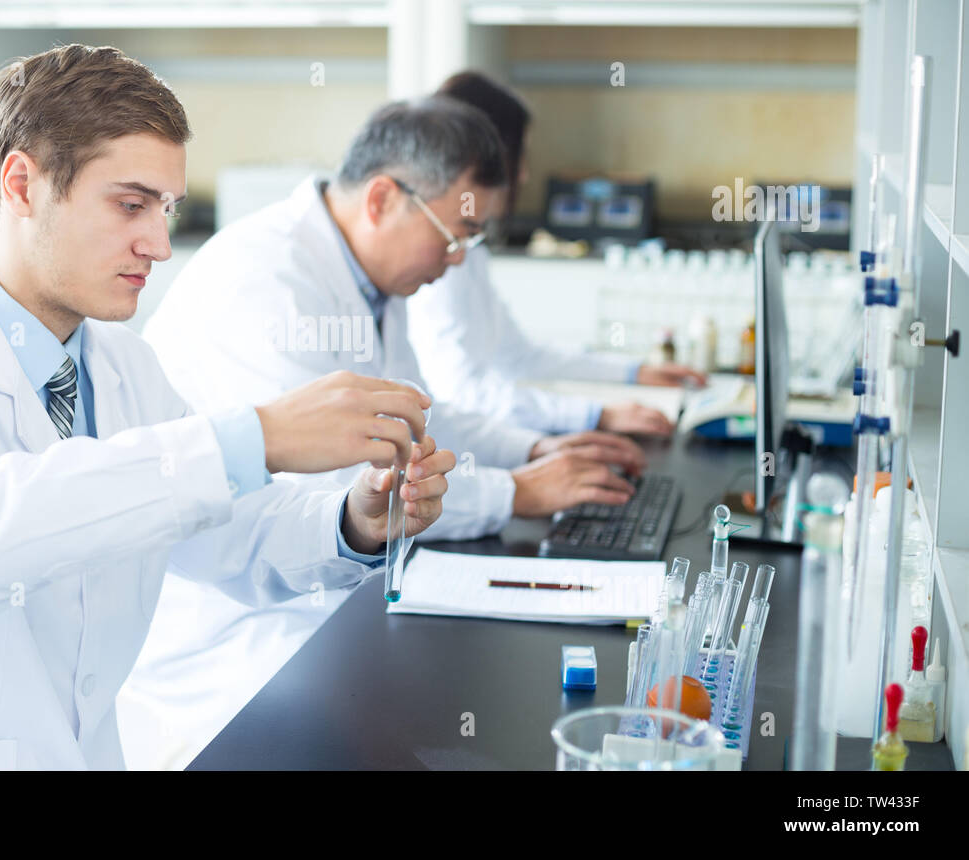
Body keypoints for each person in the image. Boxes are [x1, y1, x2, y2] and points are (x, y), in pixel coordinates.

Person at [0, 44, 455, 770]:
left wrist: (354, 520)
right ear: (22, 183)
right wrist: (254, 436)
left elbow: (219, 527)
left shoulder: (122, 366)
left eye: (167, 208)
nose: (160, 244)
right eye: (130, 204)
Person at [117, 96, 643, 769]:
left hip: (327, 591)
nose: (456, 261)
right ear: (383, 199)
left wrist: (533, 450)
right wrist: (517, 494)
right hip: (240, 630)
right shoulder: (268, 282)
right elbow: (345, 481)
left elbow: (420, 414)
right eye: (452, 236)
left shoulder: (368, 283)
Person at [406, 70, 706, 437]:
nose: (524, 175)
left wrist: (634, 373)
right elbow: (463, 391)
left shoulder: (469, 251)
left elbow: (519, 355)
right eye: (520, 156)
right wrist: (596, 416)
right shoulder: (437, 261)